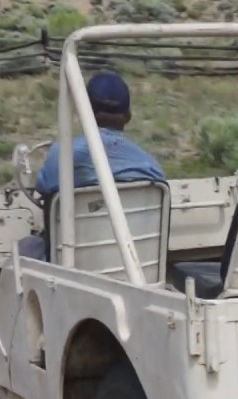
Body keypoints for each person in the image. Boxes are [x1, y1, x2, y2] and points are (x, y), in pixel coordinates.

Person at [22, 71, 165, 261]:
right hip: (136, 274)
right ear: (128, 115)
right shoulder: (151, 168)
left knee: (24, 248)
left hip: (73, 276)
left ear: (83, 112)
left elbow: (43, 191)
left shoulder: (61, 156)